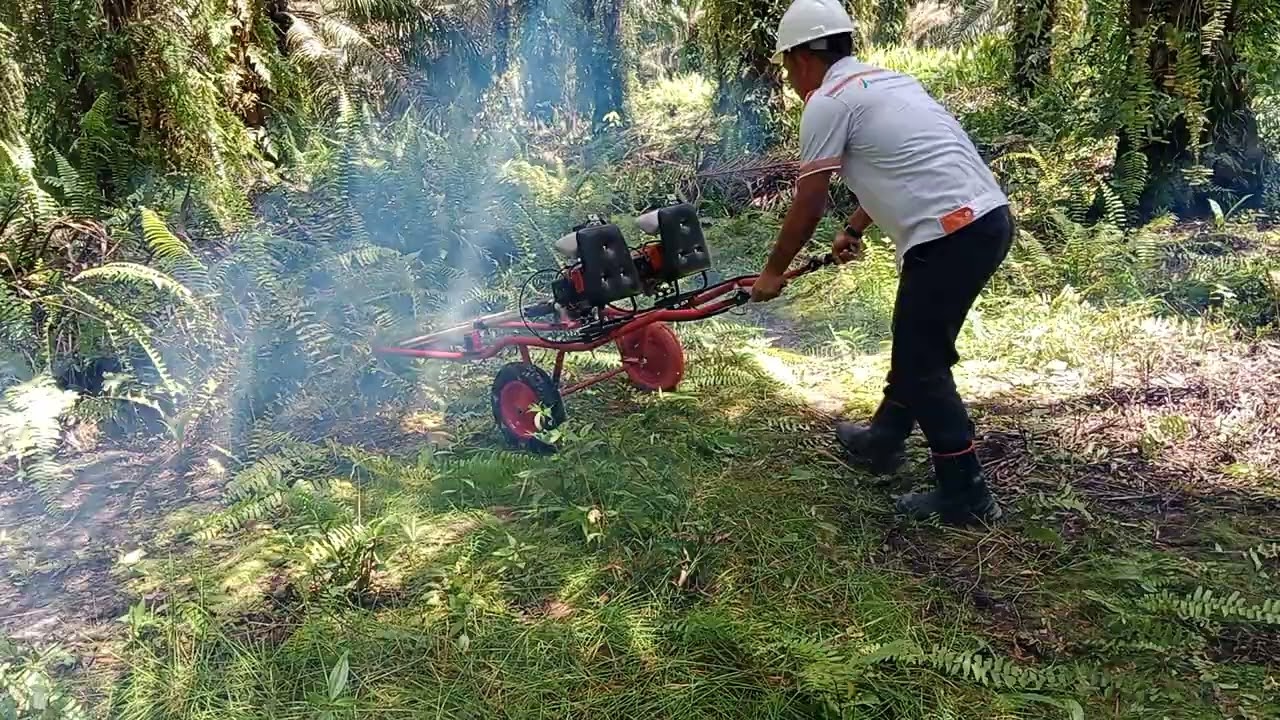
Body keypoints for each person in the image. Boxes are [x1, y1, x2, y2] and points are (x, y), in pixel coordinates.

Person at [749, 0, 1013, 525]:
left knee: (923, 364)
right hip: (986, 221)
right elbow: (905, 164)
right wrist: (853, 229)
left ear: (803, 56)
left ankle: (966, 495)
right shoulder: (890, 84)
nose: (791, 77)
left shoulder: (828, 102)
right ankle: (883, 440)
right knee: (919, 346)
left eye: (787, 65)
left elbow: (809, 198)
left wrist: (773, 271)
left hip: (949, 235)